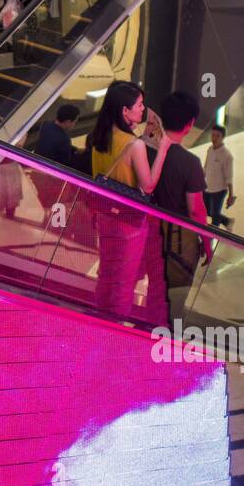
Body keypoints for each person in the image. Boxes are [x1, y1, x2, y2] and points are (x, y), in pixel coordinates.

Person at [89, 81, 172, 320]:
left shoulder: (100, 136)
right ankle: (113, 330)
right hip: (128, 223)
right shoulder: (134, 145)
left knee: (106, 274)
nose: (143, 110)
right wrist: (163, 148)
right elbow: (147, 186)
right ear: (125, 111)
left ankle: (99, 317)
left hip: (105, 216)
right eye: (139, 105)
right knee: (124, 282)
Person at [150, 91, 215, 308]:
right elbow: (196, 210)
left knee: (155, 288)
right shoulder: (190, 162)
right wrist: (206, 242)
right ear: (190, 123)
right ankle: (166, 335)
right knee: (175, 299)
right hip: (178, 242)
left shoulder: (147, 151)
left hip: (151, 234)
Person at [203, 124, 235, 226]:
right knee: (207, 211)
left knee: (215, 216)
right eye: (213, 135)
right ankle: (227, 221)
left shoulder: (227, 155)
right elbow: (206, 167)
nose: (214, 138)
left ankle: (213, 237)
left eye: (217, 136)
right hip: (207, 187)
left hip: (219, 190)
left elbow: (229, 177)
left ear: (223, 137)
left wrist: (231, 195)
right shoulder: (210, 149)